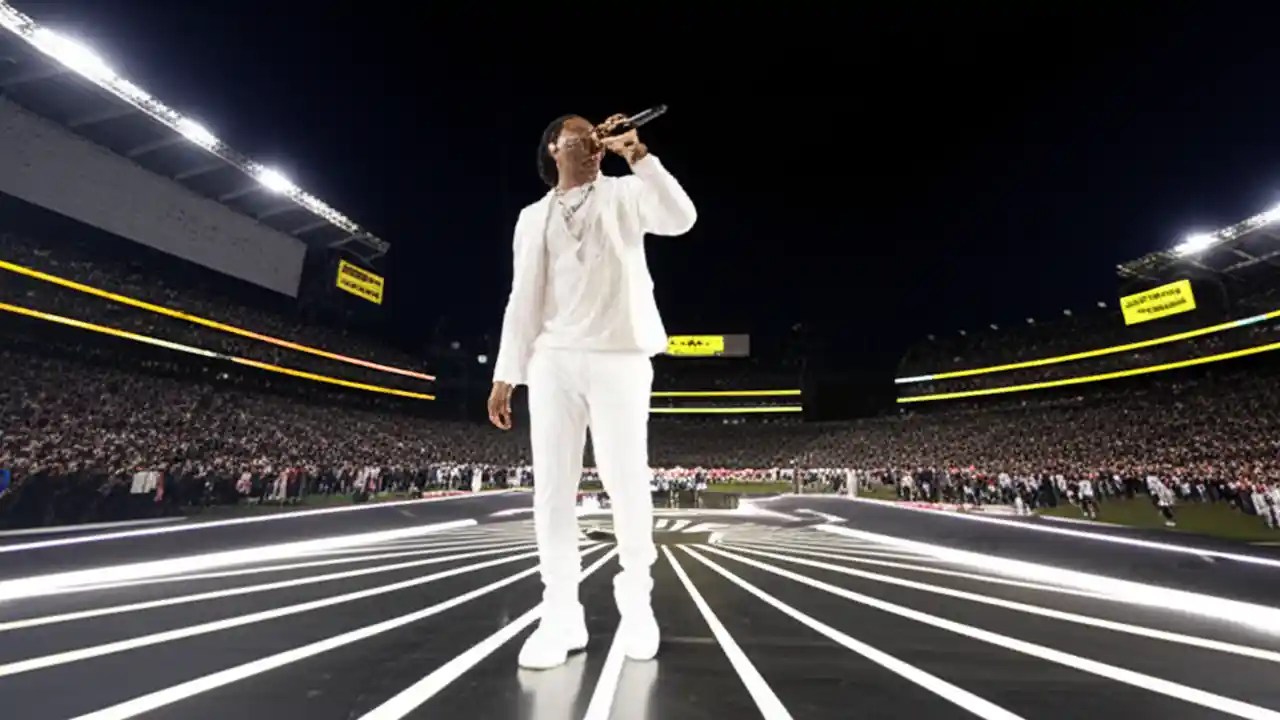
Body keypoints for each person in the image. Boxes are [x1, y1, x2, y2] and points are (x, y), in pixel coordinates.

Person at [488, 113, 696, 669]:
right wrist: (506, 371)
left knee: (626, 482)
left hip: (620, 356)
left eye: (600, 134)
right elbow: (522, 298)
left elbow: (681, 218)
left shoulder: (626, 194)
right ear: (555, 146)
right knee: (553, 491)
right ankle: (560, 614)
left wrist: (639, 155)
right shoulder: (532, 218)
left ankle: (637, 606)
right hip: (554, 359)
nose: (595, 139)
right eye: (583, 132)